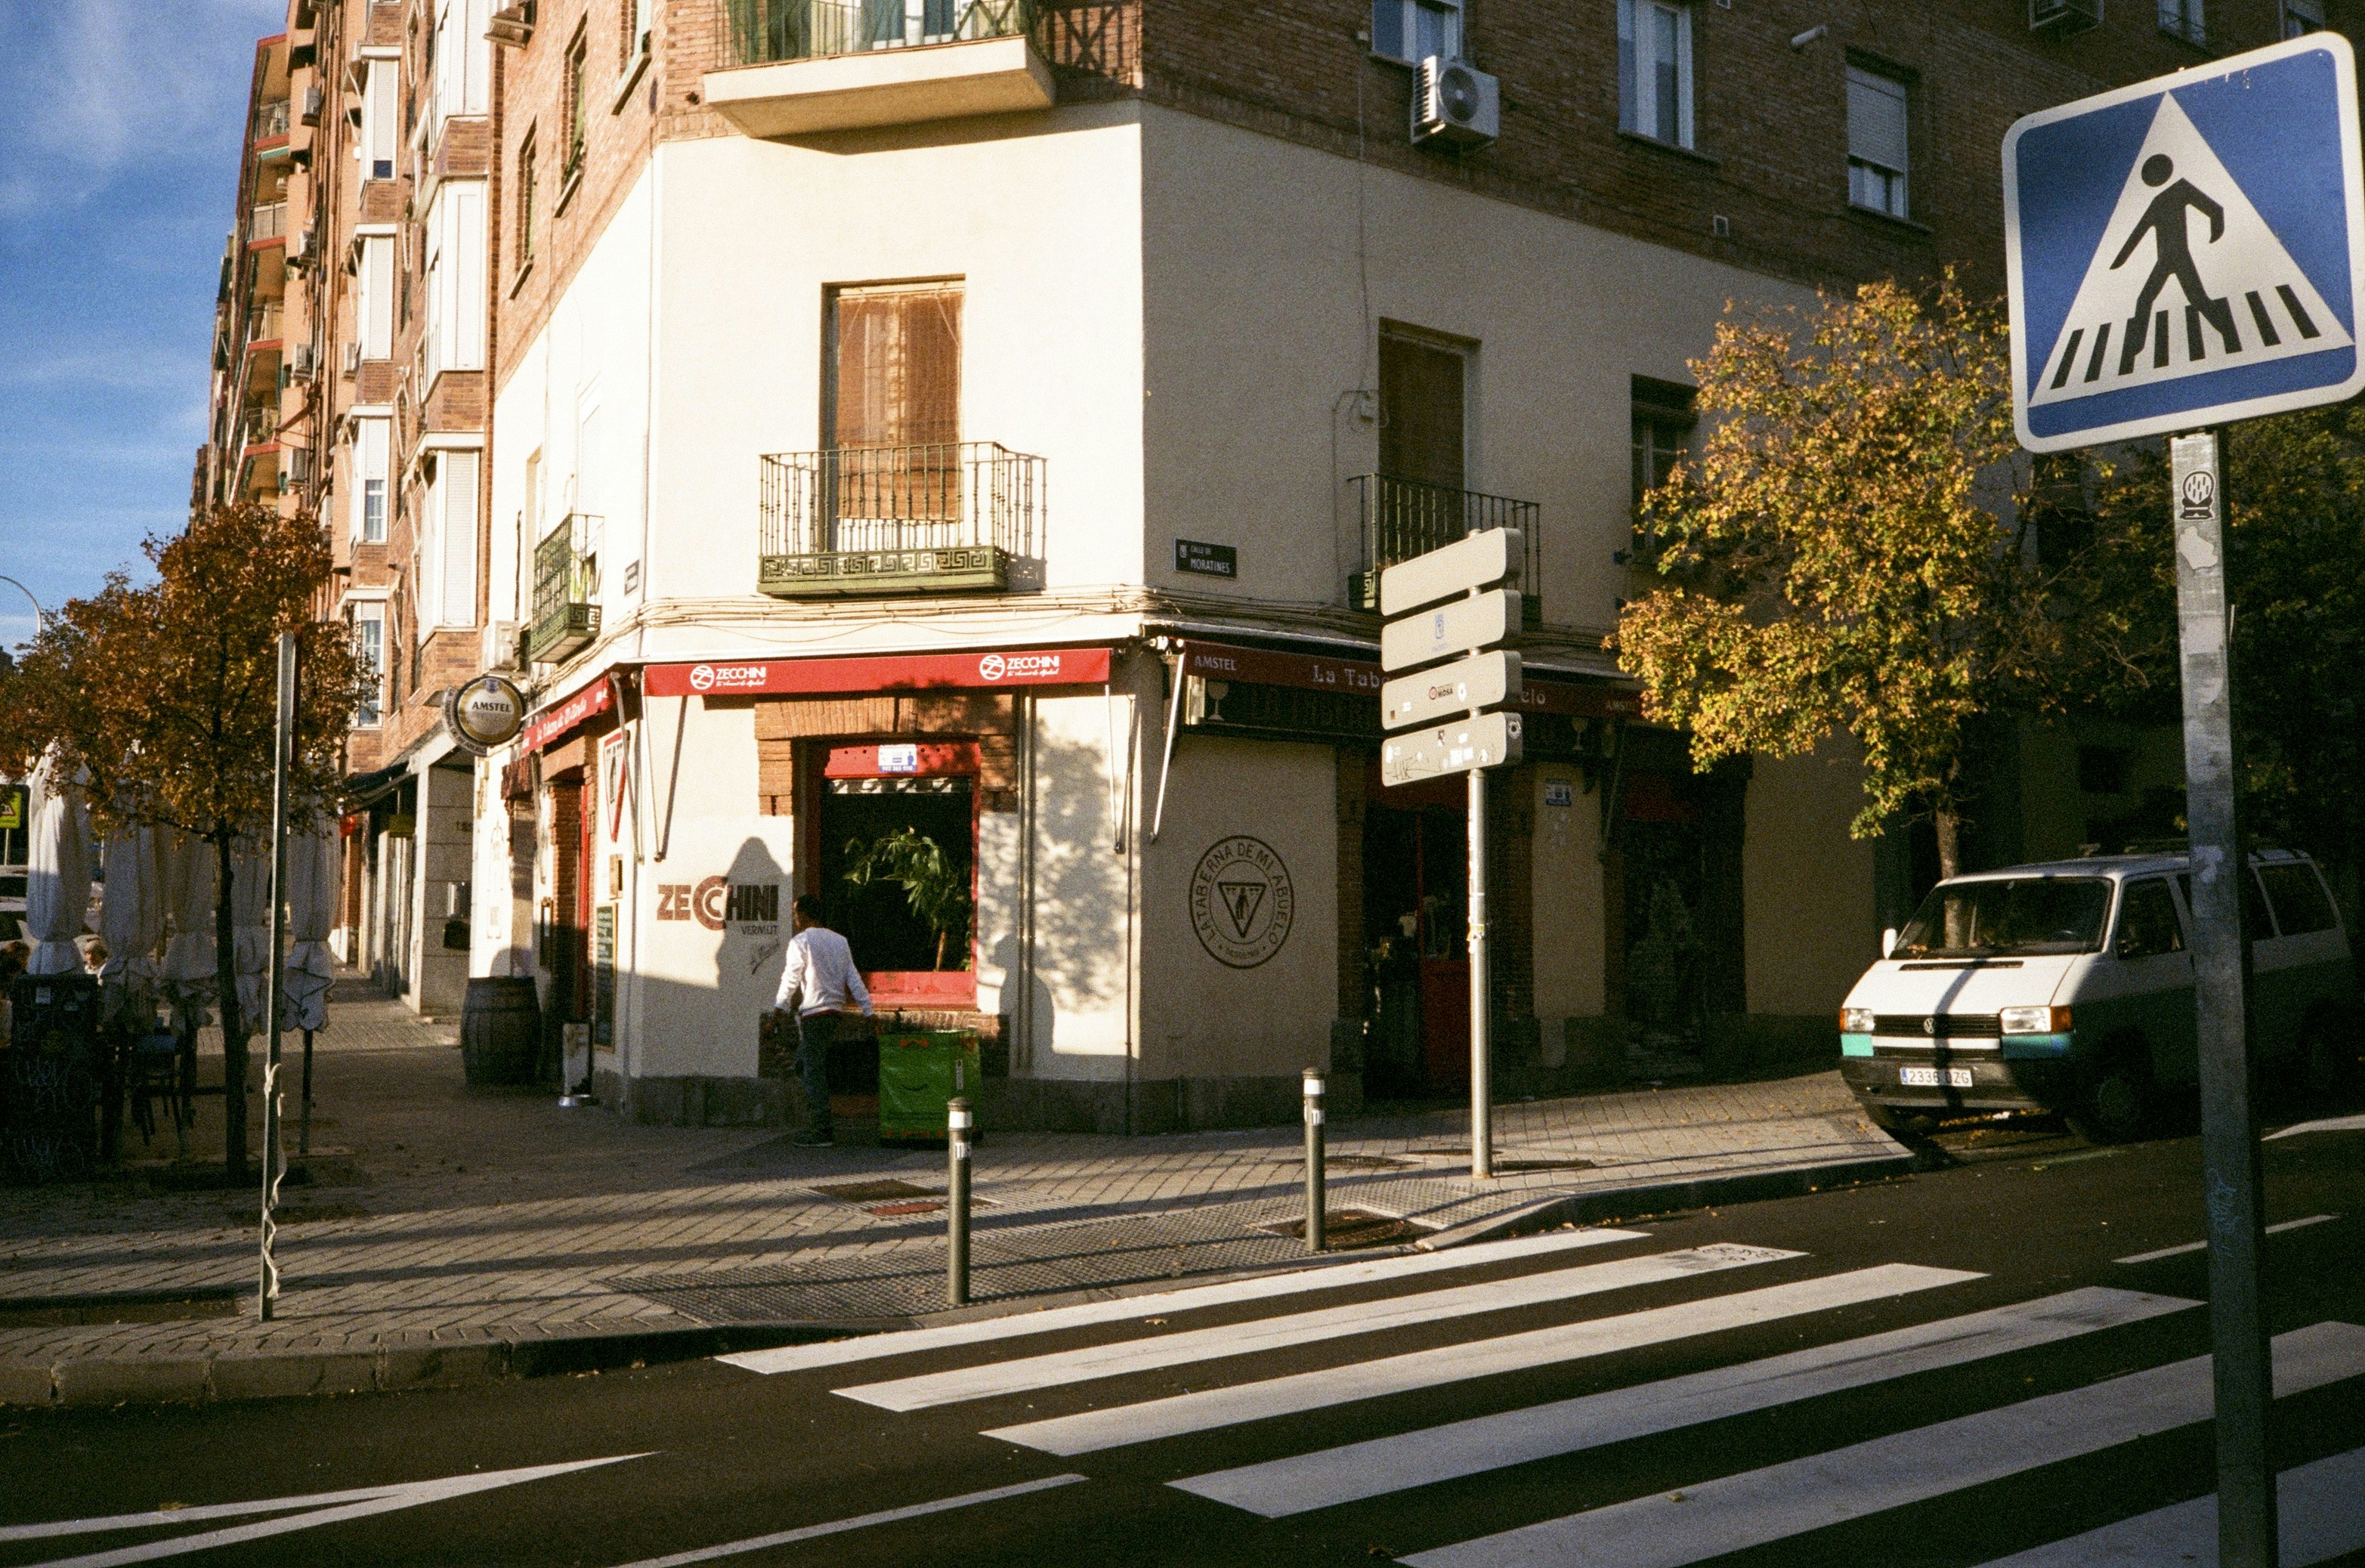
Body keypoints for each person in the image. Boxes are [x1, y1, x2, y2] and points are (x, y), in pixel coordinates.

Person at [774, 893, 871, 1148]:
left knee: (812, 1069)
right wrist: (868, 1011)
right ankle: (820, 1119)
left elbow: (791, 979)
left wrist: (777, 1013)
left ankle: (823, 1128)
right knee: (804, 1064)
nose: (794, 917)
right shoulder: (840, 941)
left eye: (796, 912)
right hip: (833, 1014)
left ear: (805, 914)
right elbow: (854, 979)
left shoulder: (801, 941)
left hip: (815, 1014)